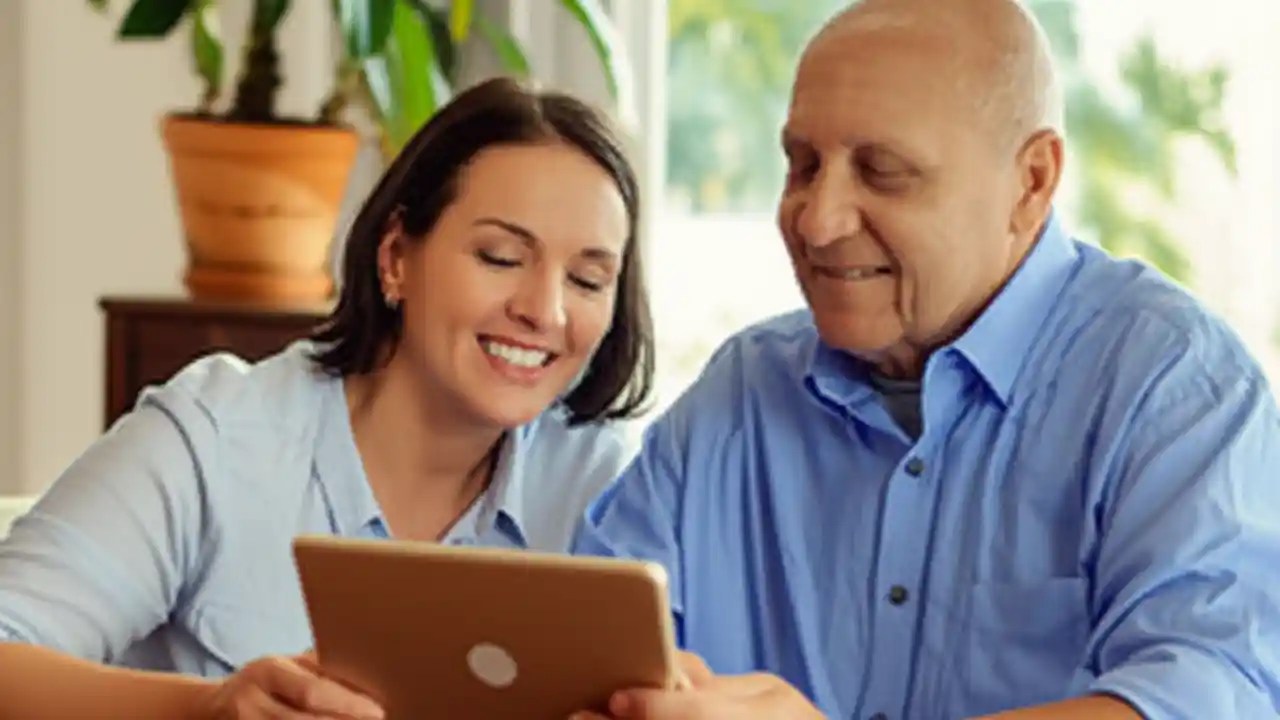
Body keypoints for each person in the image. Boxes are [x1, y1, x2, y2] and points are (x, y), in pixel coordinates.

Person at [570, 0, 1280, 719]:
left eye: (882, 172)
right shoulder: (744, 390)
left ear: (1031, 182)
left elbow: (1211, 694)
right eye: (803, 165)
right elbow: (578, 647)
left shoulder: (1172, 384)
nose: (818, 220)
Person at [0, 77, 654, 718]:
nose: (545, 311)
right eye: (500, 257)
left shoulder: (611, 491)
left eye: (588, 280)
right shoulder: (216, 438)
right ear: (396, 255)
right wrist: (209, 708)